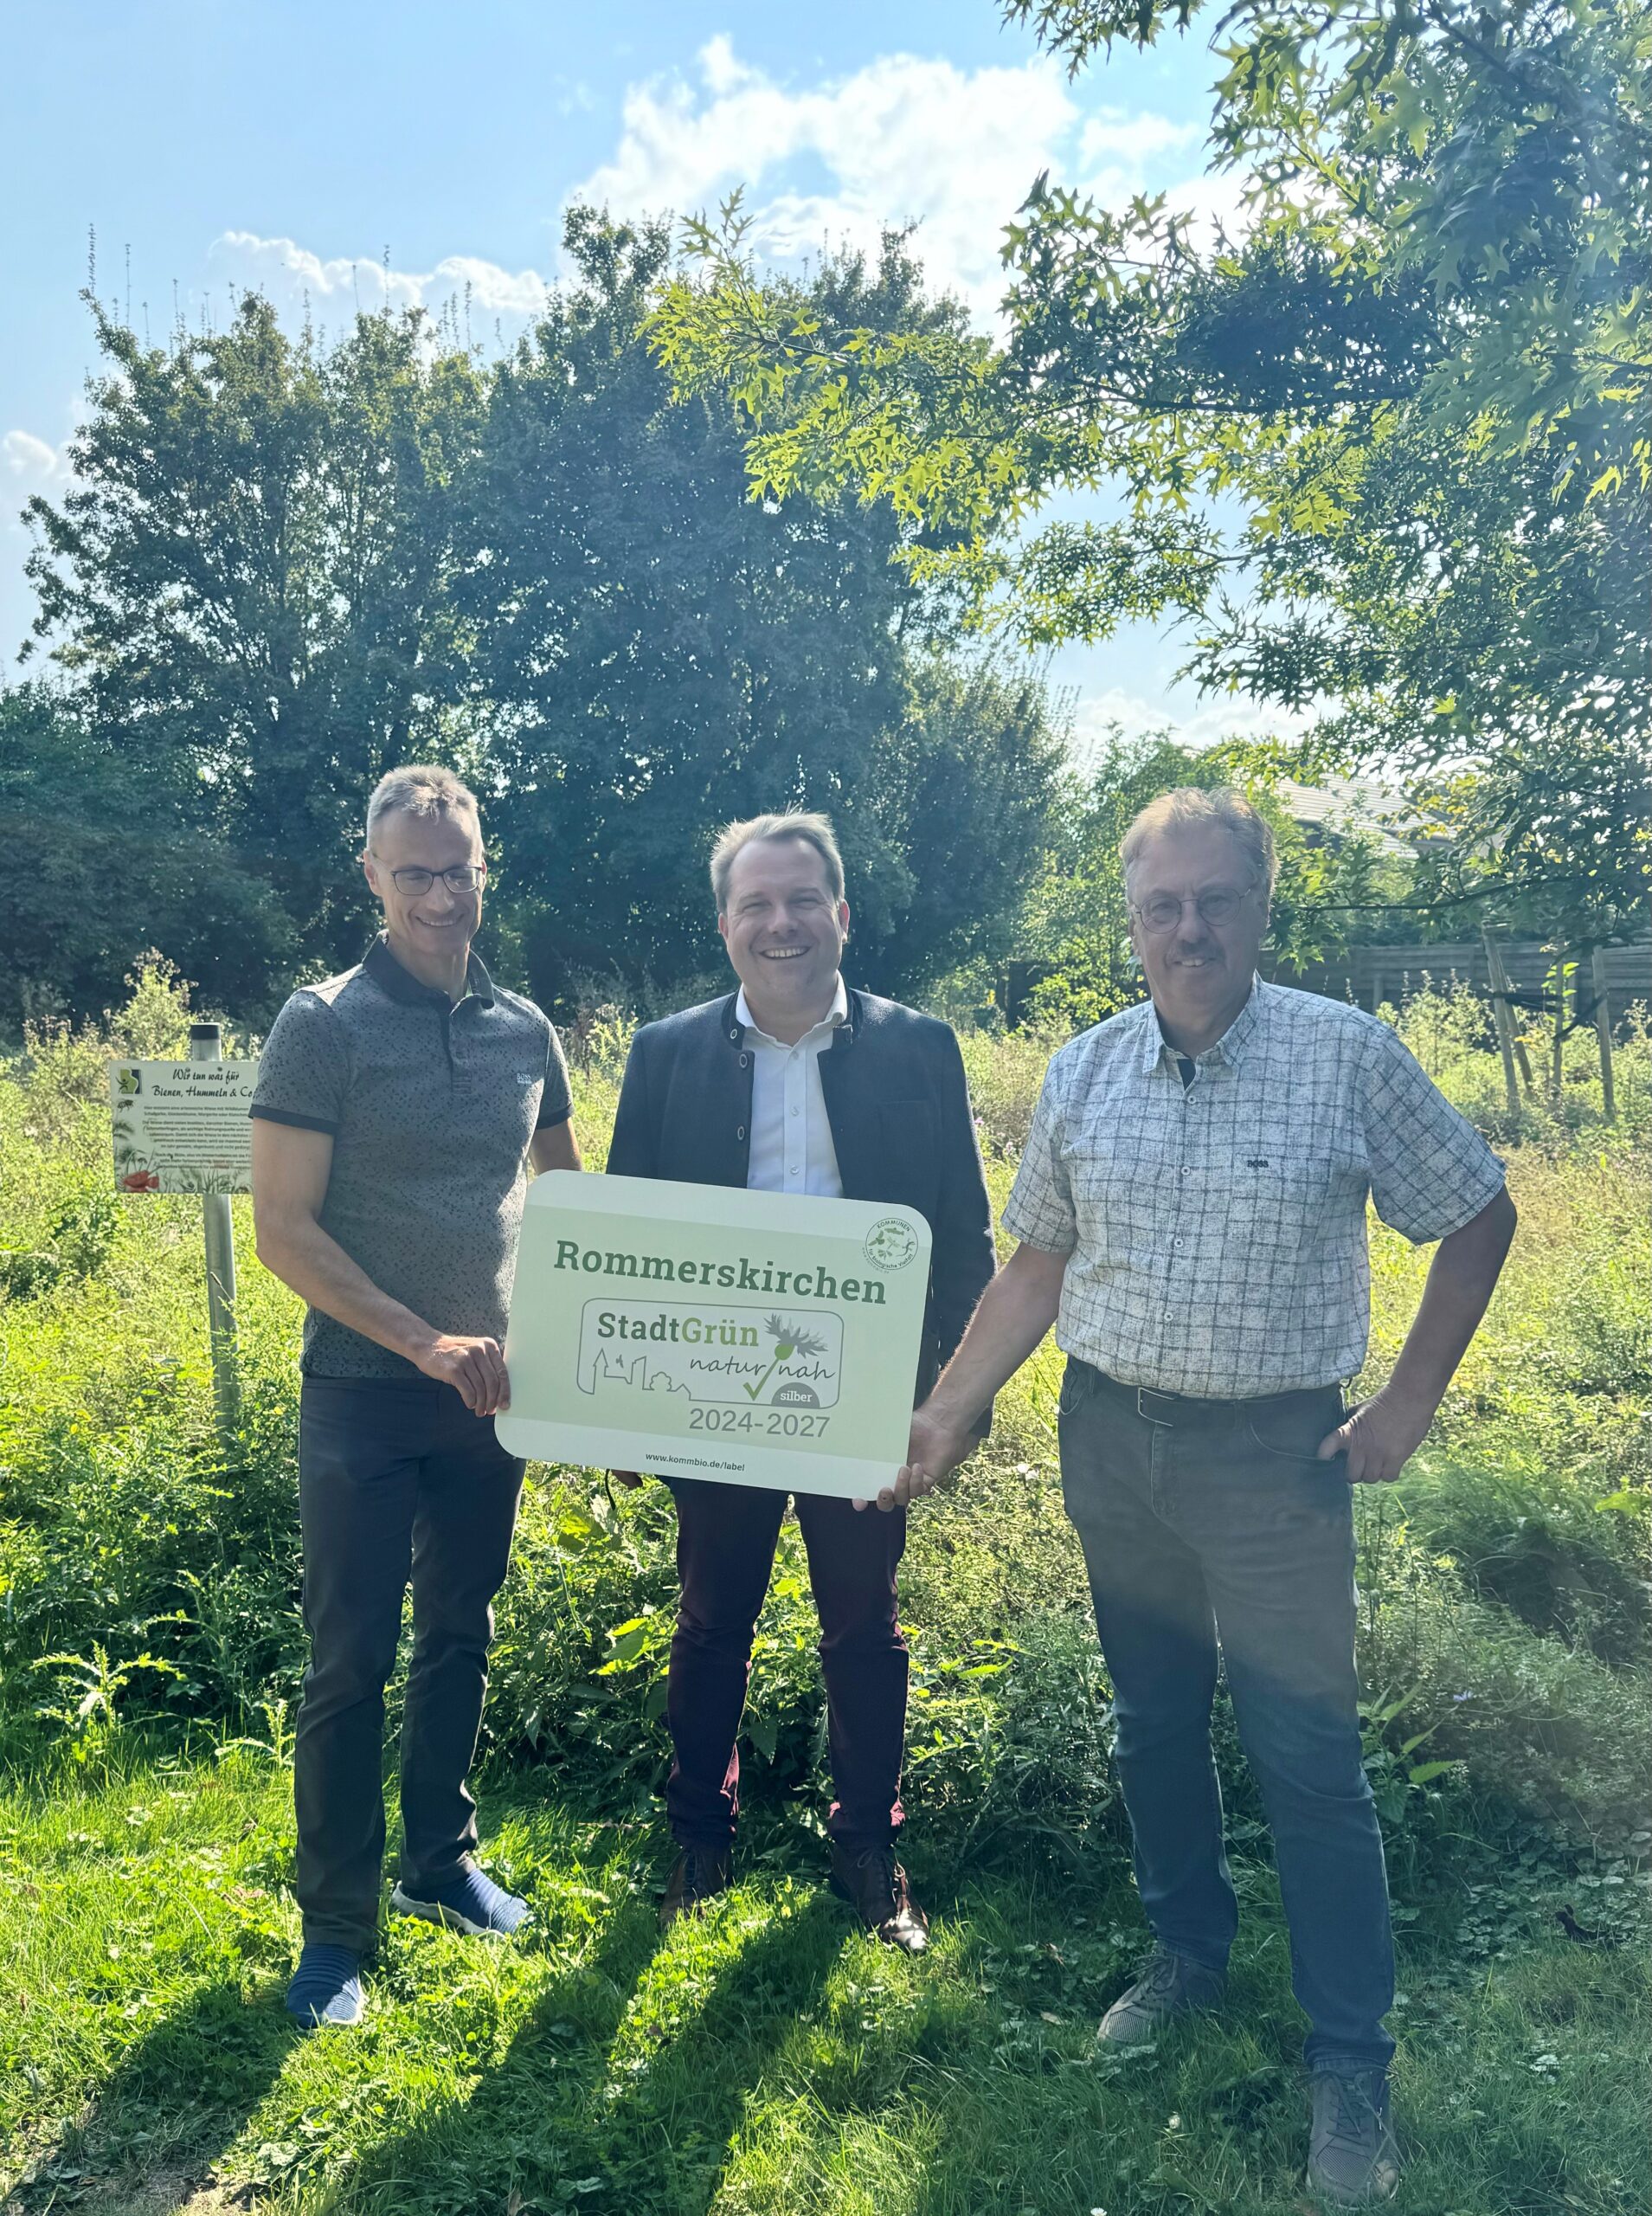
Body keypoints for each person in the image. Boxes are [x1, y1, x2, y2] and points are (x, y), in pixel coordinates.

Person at [885, 788, 1515, 2204]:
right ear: (1130, 919)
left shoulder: (1341, 1055)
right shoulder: (1084, 1070)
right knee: (1150, 1724)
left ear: (1260, 905)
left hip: (1275, 1465)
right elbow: (1037, 1263)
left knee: (1308, 1763)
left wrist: (1405, 1403)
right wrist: (947, 1407)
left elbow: (1475, 1210)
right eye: (1162, 905)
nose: (1189, 928)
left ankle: (1348, 2060)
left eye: (1215, 899)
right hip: (1112, 1443)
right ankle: (1186, 1951)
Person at [606, 810, 996, 1950]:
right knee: (709, 1620)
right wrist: (625, 1396)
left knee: (863, 1631)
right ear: (725, 923)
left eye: (799, 900)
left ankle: (869, 1849)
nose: (779, 923)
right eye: (754, 904)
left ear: (840, 914)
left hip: (864, 1399)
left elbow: (961, 1236)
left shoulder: (918, 1045)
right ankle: (696, 1836)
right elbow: (629, 1232)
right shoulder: (664, 1052)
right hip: (710, 1389)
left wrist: (943, 1398)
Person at [250, 765, 581, 2028]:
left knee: (459, 1635)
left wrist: (588, 1366)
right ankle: (333, 1933)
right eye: (414, 873)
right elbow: (284, 1230)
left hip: (487, 1402)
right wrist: (423, 1340)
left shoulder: (526, 1031)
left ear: (484, 869)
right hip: (361, 1398)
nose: (441, 896)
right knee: (350, 1660)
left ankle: (439, 1867)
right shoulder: (321, 1024)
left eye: (460, 870)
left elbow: (564, 1207)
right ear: (372, 877)